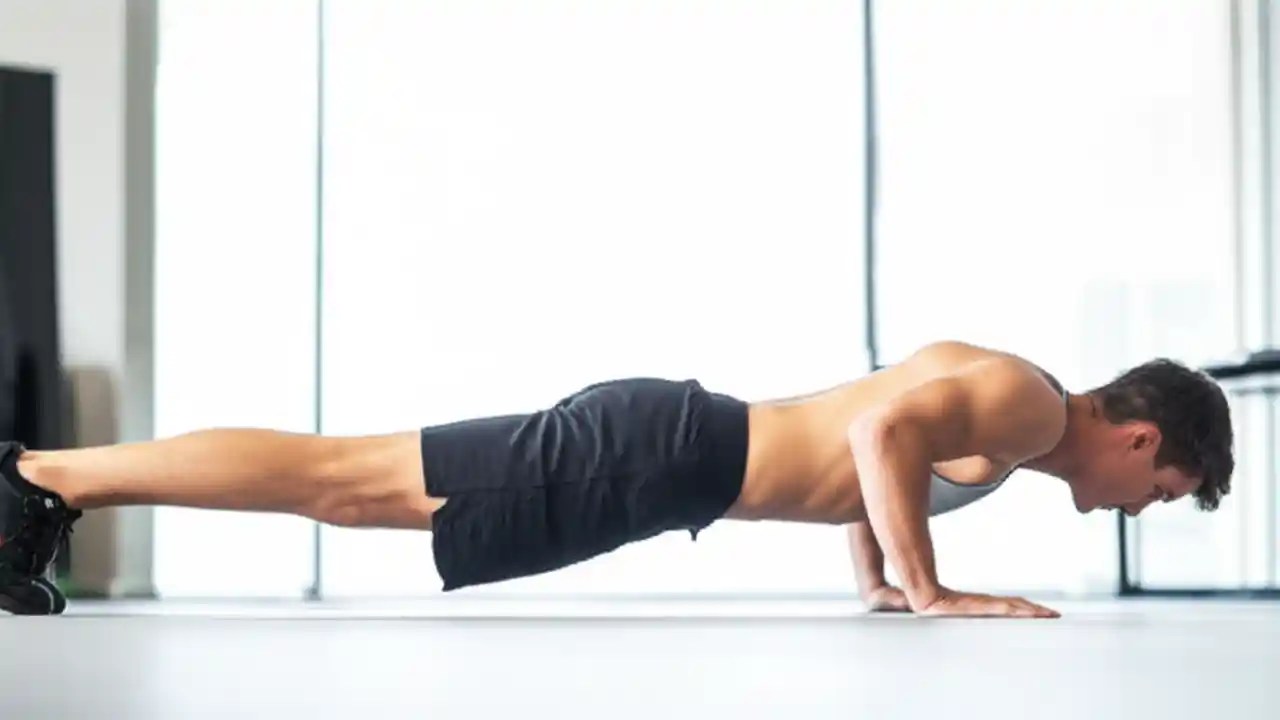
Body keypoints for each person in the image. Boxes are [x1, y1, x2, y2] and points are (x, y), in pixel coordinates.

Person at [0, 340, 1234, 617]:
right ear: (1141, 441)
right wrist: (929, 593)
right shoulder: (1026, 405)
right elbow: (876, 440)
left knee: (349, 485)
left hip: (667, 458)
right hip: (664, 455)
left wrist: (877, 578)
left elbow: (877, 456)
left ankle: (45, 492)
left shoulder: (1014, 415)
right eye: (1164, 490)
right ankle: (42, 478)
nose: (1143, 509)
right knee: (343, 481)